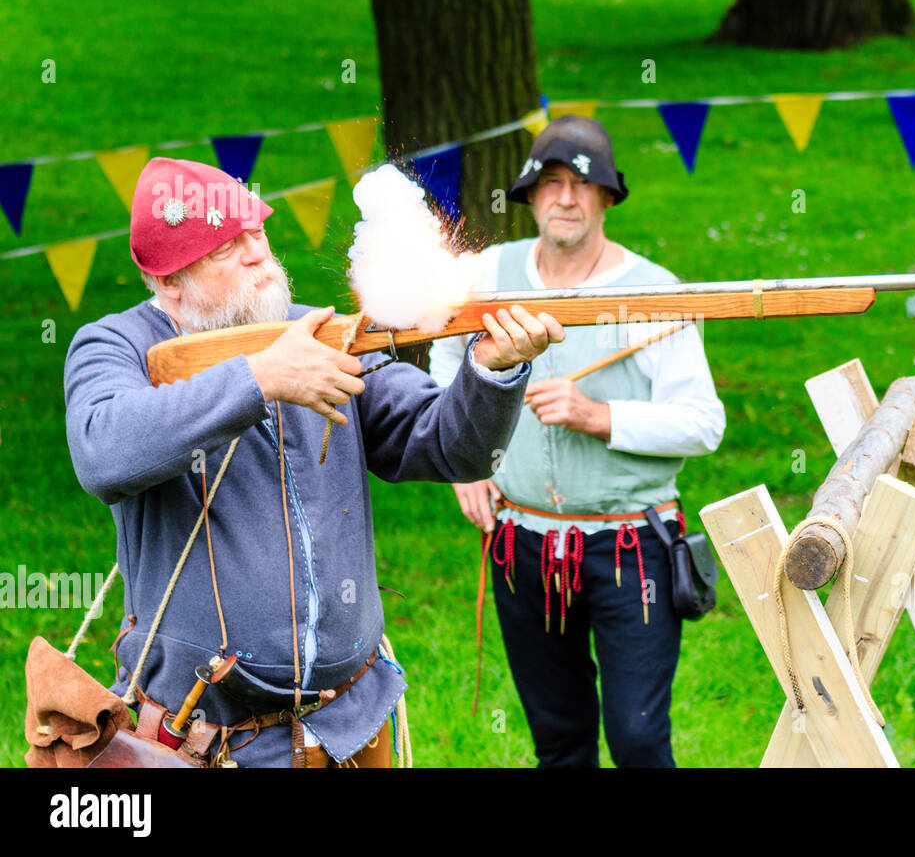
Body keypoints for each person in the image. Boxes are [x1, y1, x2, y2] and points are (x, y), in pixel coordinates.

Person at [63, 156, 563, 767]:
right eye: (228, 247)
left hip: (349, 722)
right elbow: (103, 452)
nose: (258, 253)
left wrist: (491, 371)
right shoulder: (117, 345)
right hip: (207, 736)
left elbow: (450, 447)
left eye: (257, 233)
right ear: (170, 280)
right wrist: (259, 379)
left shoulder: (320, 334)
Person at [430, 116, 725, 767]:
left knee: (637, 739)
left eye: (582, 184)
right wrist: (462, 463)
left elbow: (703, 422)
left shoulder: (653, 290)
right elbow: (446, 360)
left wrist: (599, 416)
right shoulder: (487, 273)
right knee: (559, 742)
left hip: (630, 545)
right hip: (522, 542)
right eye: (552, 183)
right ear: (531, 193)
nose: (566, 198)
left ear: (607, 197)